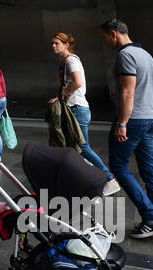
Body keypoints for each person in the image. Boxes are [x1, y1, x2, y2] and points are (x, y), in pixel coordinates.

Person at [100, 19, 153, 241]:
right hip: (151, 117)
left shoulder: (125, 56)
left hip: (134, 120)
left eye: (105, 37)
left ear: (113, 34)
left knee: (119, 167)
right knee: (149, 170)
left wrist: (122, 123)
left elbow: (128, 93)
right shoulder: (146, 54)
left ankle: (150, 218)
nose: (105, 42)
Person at [48, 32, 118, 182]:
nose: (53, 46)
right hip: (72, 109)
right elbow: (64, 84)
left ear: (66, 45)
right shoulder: (63, 61)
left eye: (56, 43)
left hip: (77, 109)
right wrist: (59, 97)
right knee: (71, 147)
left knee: (82, 147)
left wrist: (64, 94)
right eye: (52, 43)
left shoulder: (71, 61)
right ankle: (81, 177)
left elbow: (78, 82)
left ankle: (108, 178)